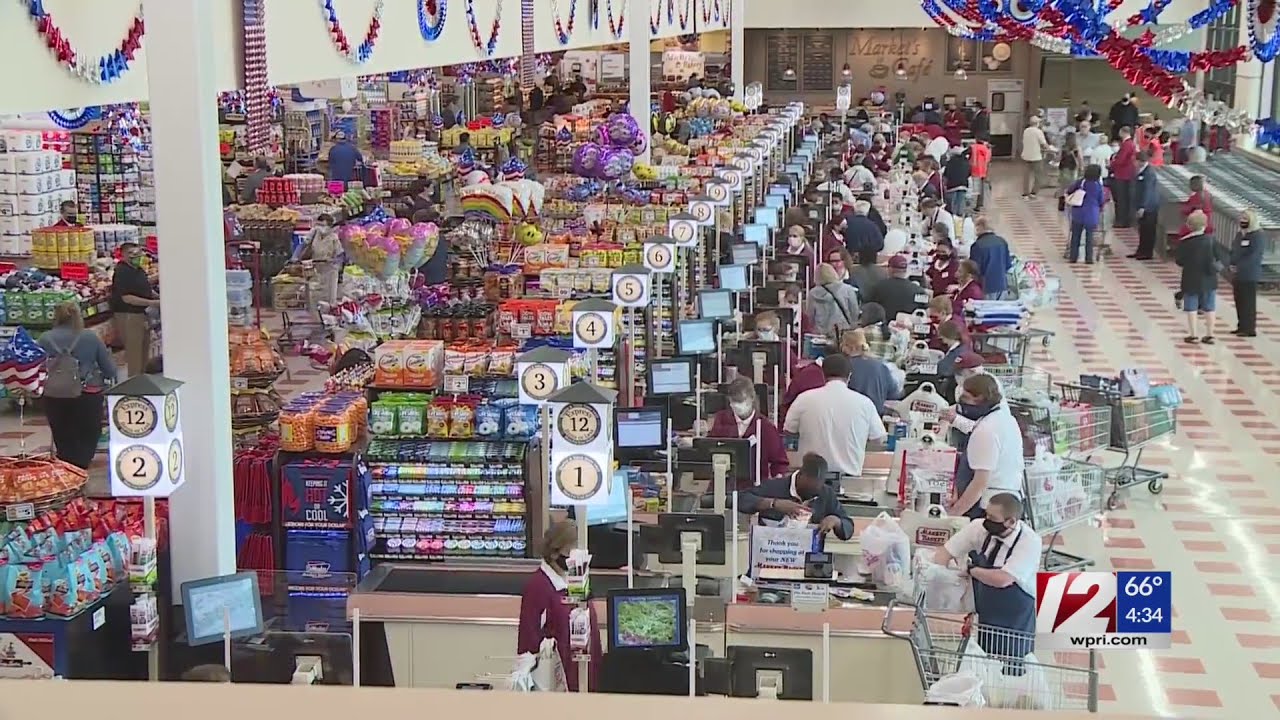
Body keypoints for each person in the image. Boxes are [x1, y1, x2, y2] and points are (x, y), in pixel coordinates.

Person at [933, 493, 1042, 658]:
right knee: (983, 660)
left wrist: (971, 570)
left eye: (993, 517)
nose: (986, 520)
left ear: (1011, 521)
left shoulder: (1029, 542)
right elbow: (946, 552)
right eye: (986, 514)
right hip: (984, 609)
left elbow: (1003, 579)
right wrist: (934, 574)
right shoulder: (979, 528)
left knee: (1013, 666)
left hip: (1014, 616)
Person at [516, 522, 600, 691]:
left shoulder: (577, 578)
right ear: (555, 553)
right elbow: (528, 642)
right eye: (572, 552)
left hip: (587, 676)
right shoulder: (538, 587)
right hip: (558, 684)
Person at [38, 303, 118, 469]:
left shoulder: (45, 339)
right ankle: (82, 467)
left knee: (62, 435)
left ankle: (67, 469)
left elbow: (35, 367)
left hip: (54, 395)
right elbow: (109, 369)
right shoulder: (90, 337)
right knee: (87, 435)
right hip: (87, 394)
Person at [783, 355, 887, 480]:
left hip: (811, 480)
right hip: (850, 480)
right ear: (849, 376)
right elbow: (879, 439)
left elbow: (788, 430)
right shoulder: (865, 403)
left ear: (823, 374)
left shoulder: (804, 399)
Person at [944, 374, 1024, 518]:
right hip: (1006, 499)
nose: (962, 405)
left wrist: (953, 515)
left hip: (987, 507)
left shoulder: (987, 430)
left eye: (966, 399)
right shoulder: (1004, 419)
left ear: (980, 399)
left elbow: (979, 484)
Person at [737, 453, 855, 540]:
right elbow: (737, 499)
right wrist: (774, 504)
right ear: (800, 475)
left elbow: (848, 528)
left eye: (817, 489)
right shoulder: (773, 487)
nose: (813, 494)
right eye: (809, 488)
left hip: (807, 561)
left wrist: (836, 521)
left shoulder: (825, 494)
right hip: (770, 556)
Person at [709, 377, 789, 482]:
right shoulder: (721, 419)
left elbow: (780, 461)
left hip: (754, 485)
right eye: (734, 401)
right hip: (723, 481)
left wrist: (778, 476)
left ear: (752, 398)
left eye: (741, 401)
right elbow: (710, 447)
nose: (737, 405)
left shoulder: (766, 427)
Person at [1174, 211, 1224, 345]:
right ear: (1205, 225)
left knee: (1191, 307)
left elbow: (1179, 261)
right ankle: (1210, 334)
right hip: (1209, 278)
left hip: (1191, 278)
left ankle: (1193, 335)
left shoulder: (1185, 242)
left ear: (1189, 225)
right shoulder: (1211, 240)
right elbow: (1220, 257)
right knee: (1210, 307)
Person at [110, 242, 158, 375]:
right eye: (133, 255)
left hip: (143, 315)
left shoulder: (138, 270)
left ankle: (143, 381)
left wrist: (158, 297)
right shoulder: (121, 272)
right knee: (134, 356)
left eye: (139, 254)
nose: (137, 258)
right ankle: (134, 387)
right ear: (124, 255)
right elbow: (127, 298)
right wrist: (152, 303)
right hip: (129, 316)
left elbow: (146, 288)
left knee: (144, 353)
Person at [844, 328, 899, 415]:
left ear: (847, 347)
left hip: (853, 416)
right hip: (877, 418)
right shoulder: (881, 366)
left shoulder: (845, 367)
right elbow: (894, 394)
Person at [1229, 209, 1264, 338]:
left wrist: (1239, 266)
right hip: (1238, 274)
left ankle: (1249, 328)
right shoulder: (1240, 234)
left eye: (1245, 219)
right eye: (1241, 218)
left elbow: (1254, 255)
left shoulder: (1258, 235)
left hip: (1249, 273)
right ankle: (1241, 325)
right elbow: (1234, 249)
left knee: (1248, 301)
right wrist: (1231, 263)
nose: (1242, 221)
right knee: (1239, 300)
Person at [298, 214, 343, 306]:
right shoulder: (315, 233)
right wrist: (295, 257)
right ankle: (316, 314)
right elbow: (304, 244)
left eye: (323, 225)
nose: (320, 228)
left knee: (329, 297)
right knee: (314, 294)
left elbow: (340, 255)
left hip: (330, 271)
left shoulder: (334, 237)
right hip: (316, 269)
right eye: (319, 225)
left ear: (329, 226)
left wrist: (333, 260)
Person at [1064, 164, 1106, 264]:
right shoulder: (1098, 185)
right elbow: (1101, 200)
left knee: (1075, 236)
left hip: (1078, 212)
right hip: (1092, 214)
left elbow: (1070, 190)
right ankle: (1089, 258)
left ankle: (1073, 257)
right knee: (1089, 237)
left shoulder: (1081, 182)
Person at [807, 263, 860, 336]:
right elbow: (854, 312)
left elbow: (810, 316)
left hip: (821, 333)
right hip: (843, 330)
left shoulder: (812, 293)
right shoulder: (847, 289)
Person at [868, 255, 925, 322]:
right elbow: (924, 312)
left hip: (884, 327)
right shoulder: (919, 290)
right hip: (909, 328)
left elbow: (871, 308)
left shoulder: (879, 287)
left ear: (890, 269)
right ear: (906, 270)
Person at [967, 217, 1012, 300]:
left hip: (986, 287)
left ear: (979, 227)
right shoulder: (1002, 241)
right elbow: (1008, 265)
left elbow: (974, 270)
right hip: (1002, 285)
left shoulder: (977, 246)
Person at [1130, 151, 1161, 260]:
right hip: (1140, 204)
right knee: (1142, 229)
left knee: (1148, 230)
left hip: (1149, 206)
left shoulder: (1149, 173)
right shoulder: (1140, 171)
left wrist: (1143, 206)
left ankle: (1147, 252)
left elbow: (1148, 191)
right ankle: (1141, 250)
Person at [1110, 127, 1138, 227]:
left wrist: (1112, 163)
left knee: (1121, 198)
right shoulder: (1130, 144)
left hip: (1122, 174)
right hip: (1127, 174)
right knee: (1124, 198)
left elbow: (1121, 160)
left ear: (1123, 132)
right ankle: (1125, 220)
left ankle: (1122, 221)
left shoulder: (1126, 144)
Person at [1019, 116, 1050, 198]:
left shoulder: (1026, 131)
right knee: (1038, 176)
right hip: (1036, 157)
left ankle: (1025, 193)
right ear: (1037, 123)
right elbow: (1044, 144)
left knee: (1027, 176)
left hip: (1026, 156)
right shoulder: (1038, 132)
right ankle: (1034, 192)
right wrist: (1049, 148)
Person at [1177, 175, 1215, 240]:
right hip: (1207, 223)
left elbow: (1188, 209)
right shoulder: (1208, 194)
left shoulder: (1196, 197)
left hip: (1197, 225)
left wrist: (1183, 210)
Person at [943, 149, 971, 216]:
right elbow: (969, 174)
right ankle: (960, 218)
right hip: (963, 185)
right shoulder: (966, 162)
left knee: (953, 206)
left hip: (952, 186)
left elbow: (946, 175)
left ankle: (953, 218)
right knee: (960, 204)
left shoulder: (950, 162)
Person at [970, 138, 992, 211]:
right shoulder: (986, 148)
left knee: (975, 188)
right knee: (982, 187)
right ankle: (980, 204)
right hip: (983, 170)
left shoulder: (973, 147)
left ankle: (975, 205)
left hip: (975, 170)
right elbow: (988, 160)